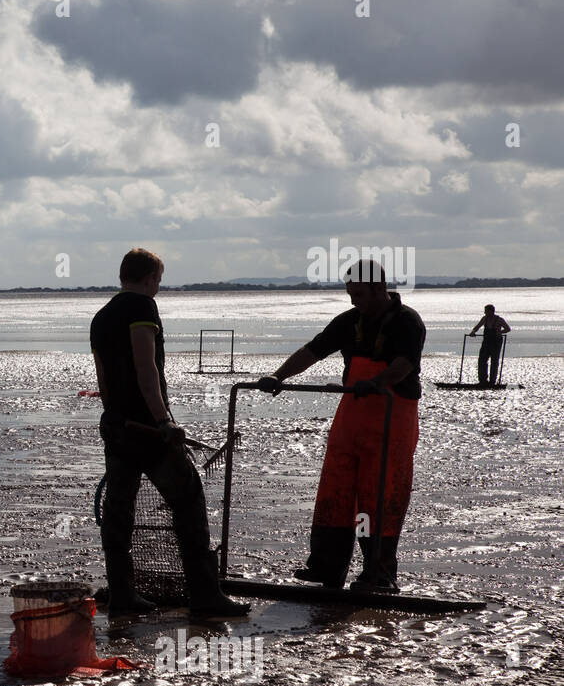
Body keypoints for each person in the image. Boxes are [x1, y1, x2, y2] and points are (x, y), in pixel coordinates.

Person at [91, 248, 248, 618]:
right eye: (158, 280)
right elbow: (146, 366)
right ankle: (205, 595)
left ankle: (122, 595)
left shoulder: (101, 316)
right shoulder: (142, 308)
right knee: (188, 500)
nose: (158, 287)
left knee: (119, 512)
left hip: (115, 425)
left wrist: (115, 416)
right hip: (147, 429)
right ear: (148, 278)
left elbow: (103, 376)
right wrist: (163, 421)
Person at [257, 258, 425, 593]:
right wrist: (279, 375)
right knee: (336, 492)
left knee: (377, 499)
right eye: (350, 295)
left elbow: (404, 365)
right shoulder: (349, 321)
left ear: (380, 289)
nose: (354, 301)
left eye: (360, 295)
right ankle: (326, 567)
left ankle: (377, 573)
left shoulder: (408, 322)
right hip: (351, 416)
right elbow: (314, 350)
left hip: (391, 419)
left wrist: (377, 382)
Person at [470, 304, 510, 386]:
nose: (485, 312)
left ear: (491, 311)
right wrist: (473, 332)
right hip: (486, 342)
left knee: (494, 361)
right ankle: (483, 381)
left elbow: (508, 329)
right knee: (482, 360)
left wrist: (500, 332)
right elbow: (477, 326)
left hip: (496, 342)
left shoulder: (499, 319)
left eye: (486, 311)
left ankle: (492, 381)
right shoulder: (485, 319)